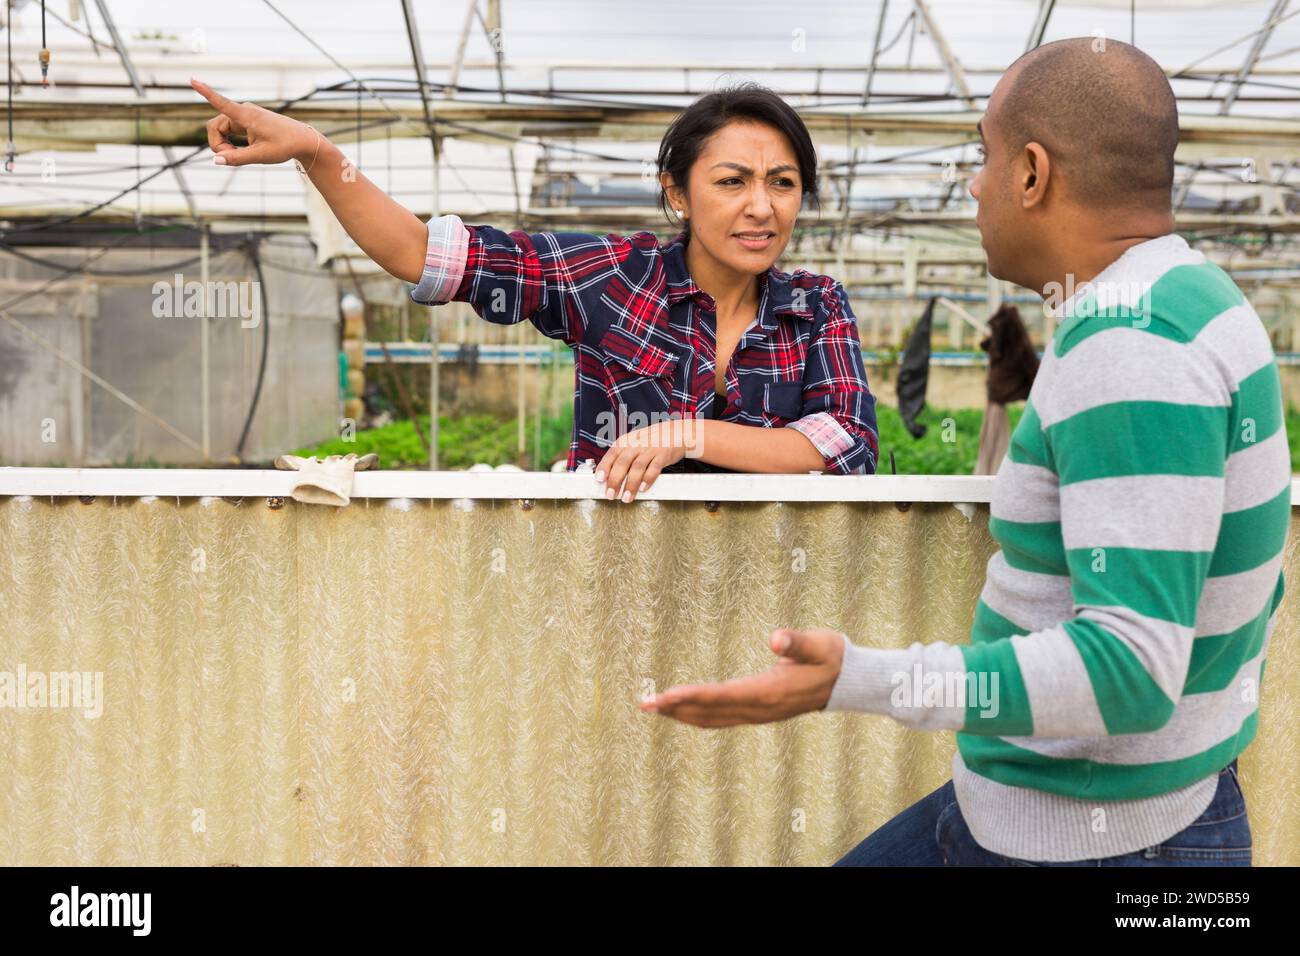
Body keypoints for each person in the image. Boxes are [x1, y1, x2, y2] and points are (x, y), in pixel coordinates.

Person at [640, 37, 1291, 866]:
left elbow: (1129, 669)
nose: (975, 184)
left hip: (1096, 842)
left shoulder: (1130, 347)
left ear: (1031, 173)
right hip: (1070, 805)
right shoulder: (1195, 296)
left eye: (983, 157)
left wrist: (854, 679)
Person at [190, 78, 879, 501]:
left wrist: (687, 435)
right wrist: (318, 152)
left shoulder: (814, 305)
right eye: (732, 181)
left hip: (770, 596)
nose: (761, 207)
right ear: (678, 193)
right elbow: (422, 254)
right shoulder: (613, 275)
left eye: (782, 183)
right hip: (615, 581)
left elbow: (846, 444)